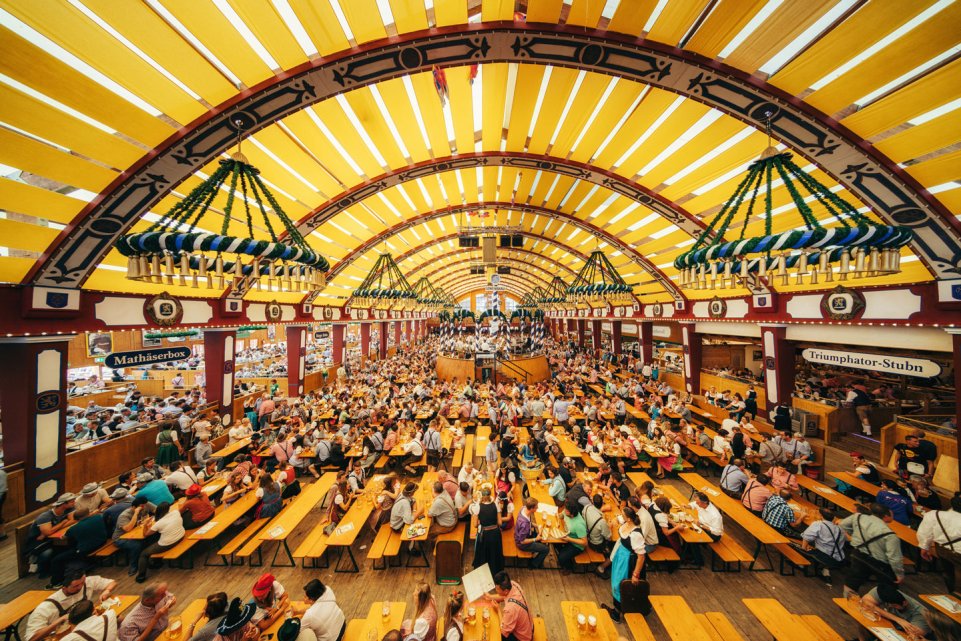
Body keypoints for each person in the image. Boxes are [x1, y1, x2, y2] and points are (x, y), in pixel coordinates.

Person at [26, 569, 117, 641]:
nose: (81, 587)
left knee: (118, 618)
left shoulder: (85, 583)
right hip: (67, 637)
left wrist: (107, 591)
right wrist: (60, 620)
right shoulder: (45, 608)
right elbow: (31, 639)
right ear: (63, 587)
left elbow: (112, 582)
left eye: (82, 582)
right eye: (76, 586)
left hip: (86, 628)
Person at [839, 504, 904, 596]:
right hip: (879, 563)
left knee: (852, 581)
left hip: (858, 554)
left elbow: (842, 525)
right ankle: (885, 603)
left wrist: (854, 536)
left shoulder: (858, 517)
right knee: (889, 587)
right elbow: (894, 558)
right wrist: (899, 574)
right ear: (886, 516)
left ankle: (847, 601)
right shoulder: (891, 535)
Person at [601, 506, 650, 623]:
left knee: (620, 584)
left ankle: (617, 613)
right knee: (616, 581)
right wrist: (613, 521)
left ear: (628, 519)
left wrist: (635, 574)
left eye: (623, 515)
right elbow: (617, 519)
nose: (621, 516)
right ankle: (621, 608)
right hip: (620, 555)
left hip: (628, 561)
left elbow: (641, 557)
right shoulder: (626, 522)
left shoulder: (636, 535)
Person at [47, 507, 108, 589]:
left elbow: (63, 538)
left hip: (86, 549)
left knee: (56, 560)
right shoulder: (98, 517)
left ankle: (56, 582)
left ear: (76, 519)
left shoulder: (74, 528)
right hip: (102, 542)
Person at [917, 493, 961, 592]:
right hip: (959, 553)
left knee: (948, 573)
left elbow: (925, 532)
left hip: (942, 549)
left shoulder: (934, 514)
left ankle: (952, 593)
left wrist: (924, 547)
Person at [858, 583, 932, 641]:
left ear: (905, 603)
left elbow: (914, 636)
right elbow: (865, 603)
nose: (890, 606)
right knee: (864, 620)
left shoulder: (921, 613)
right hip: (890, 626)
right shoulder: (885, 592)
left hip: (900, 633)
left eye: (894, 606)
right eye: (889, 604)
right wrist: (898, 619)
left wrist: (875, 609)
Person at [135, 502, 184, 583]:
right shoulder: (176, 512)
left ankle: (141, 576)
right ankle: (156, 562)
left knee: (143, 554)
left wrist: (145, 524)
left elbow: (145, 534)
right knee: (156, 539)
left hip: (168, 543)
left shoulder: (159, 523)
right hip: (180, 536)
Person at [795, 508, 845, 586]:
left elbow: (806, 537)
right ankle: (825, 570)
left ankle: (801, 564)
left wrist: (803, 551)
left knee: (798, 545)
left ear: (821, 516)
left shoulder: (818, 524)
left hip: (823, 555)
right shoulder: (840, 529)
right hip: (838, 558)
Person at [488, 572, 533, 641]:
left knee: (495, 632)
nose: (496, 591)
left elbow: (503, 631)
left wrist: (498, 610)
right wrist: (489, 597)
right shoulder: (513, 584)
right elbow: (504, 596)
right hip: (529, 628)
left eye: (497, 589)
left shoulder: (510, 609)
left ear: (506, 591)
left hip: (523, 638)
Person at [470, 488, 504, 575]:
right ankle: (495, 571)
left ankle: (484, 572)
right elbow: (500, 523)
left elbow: (475, 525)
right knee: (494, 553)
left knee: (484, 554)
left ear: (481, 496)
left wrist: (481, 521)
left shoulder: (478, 507)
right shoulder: (496, 504)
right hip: (495, 533)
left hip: (485, 534)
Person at [554, 498, 586, 575]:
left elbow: (584, 542)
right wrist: (558, 515)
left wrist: (569, 539)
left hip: (576, 545)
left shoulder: (579, 525)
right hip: (567, 536)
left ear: (571, 513)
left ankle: (569, 568)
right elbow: (561, 515)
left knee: (561, 558)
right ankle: (564, 556)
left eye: (566, 510)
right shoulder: (567, 512)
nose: (564, 511)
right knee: (554, 543)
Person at [514, 498, 549, 569]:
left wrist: (537, 525)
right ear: (531, 508)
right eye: (536, 507)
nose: (537, 508)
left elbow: (528, 522)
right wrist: (535, 539)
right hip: (522, 544)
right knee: (546, 549)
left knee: (543, 538)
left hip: (525, 534)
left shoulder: (523, 508)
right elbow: (522, 541)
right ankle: (533, 564)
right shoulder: (524, 525)